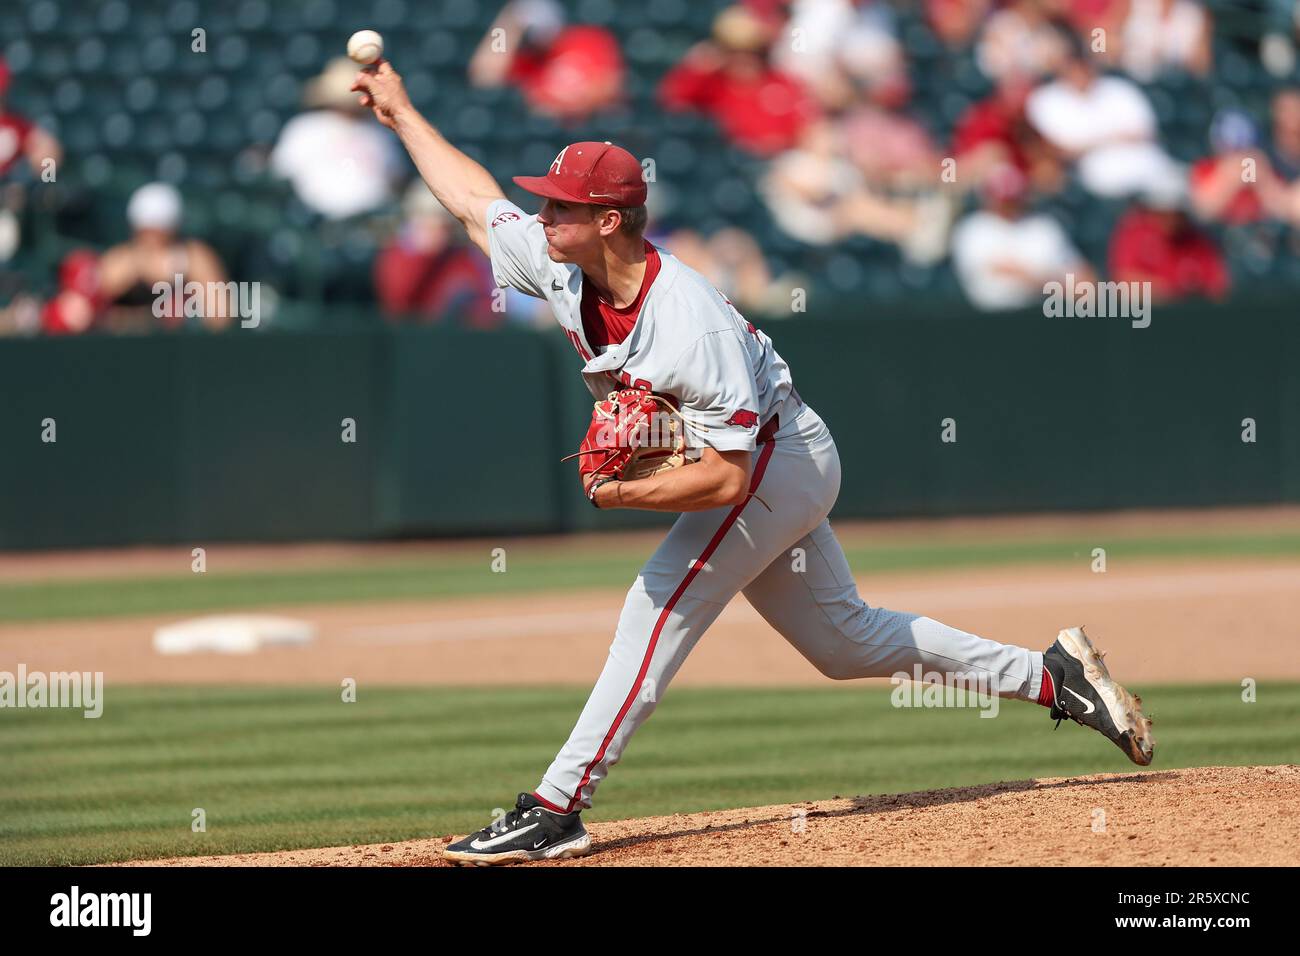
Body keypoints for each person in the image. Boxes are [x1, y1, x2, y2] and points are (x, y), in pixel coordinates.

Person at [350, 58, 1155, 866]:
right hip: (760, 457)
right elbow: (474, 202)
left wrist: (617, 496)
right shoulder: (562, 262)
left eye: (560, 203)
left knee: (655, 606)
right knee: (844, 643)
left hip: (777, 459)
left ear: (608, 221)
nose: (542, 212)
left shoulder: (688, 323)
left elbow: (727, 479)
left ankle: (557, 808)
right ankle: (1053, 677)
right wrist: (401, 111)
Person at [1025, 31, 1183, 198]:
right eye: (1073, 69)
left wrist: (1096, 141)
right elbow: (1061, 150)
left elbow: (1146, 132)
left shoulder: (1118, 88)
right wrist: (1109, 139)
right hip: (1096, 170)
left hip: (1143, 160)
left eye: (1083, 67)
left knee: (1172, 188)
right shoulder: (1046, 99)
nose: (1079, 74)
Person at [270, 58, 404, 220]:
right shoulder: (306, 128)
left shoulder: (380, 133)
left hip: (371, 220)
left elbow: (395, 179)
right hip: (314, 219)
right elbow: (282, 174)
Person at [951, 164, 1094, 311]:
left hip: (1042, 312)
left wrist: (1039, 280)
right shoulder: (973, 228)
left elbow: (1084, 283)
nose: (1008, 206)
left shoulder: (1044, 227)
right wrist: (1049, 281)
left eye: (1013, 200)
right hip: (991, 315)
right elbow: (995, 272)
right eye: (1002, 201)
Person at [97, 183, 231, 332]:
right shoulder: (119, 259)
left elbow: (220, 316)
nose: (153, 238)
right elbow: (96, 309)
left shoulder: (195, 257)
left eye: (160, 231)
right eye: (146, 231)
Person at [468, 0, 625, 123]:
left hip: (586, 132)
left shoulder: (586, 39)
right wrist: (508, 24)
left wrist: (556, 106)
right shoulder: (526, 59)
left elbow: (609, 87)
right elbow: (484, 76)